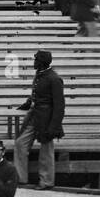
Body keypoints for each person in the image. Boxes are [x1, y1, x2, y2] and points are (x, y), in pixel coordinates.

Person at [13, 49, 64, 189]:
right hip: (35, 116)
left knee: (46, 151)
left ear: (41, 62)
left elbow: (59, 106)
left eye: (36, 60)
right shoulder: (40, 74)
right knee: (20, 143)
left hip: (47, 119)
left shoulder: (54, 79)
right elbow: (36, 94)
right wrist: (28, 103)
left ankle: (46, 182)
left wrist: (54, 127)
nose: (34, 62)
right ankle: (20, 178)